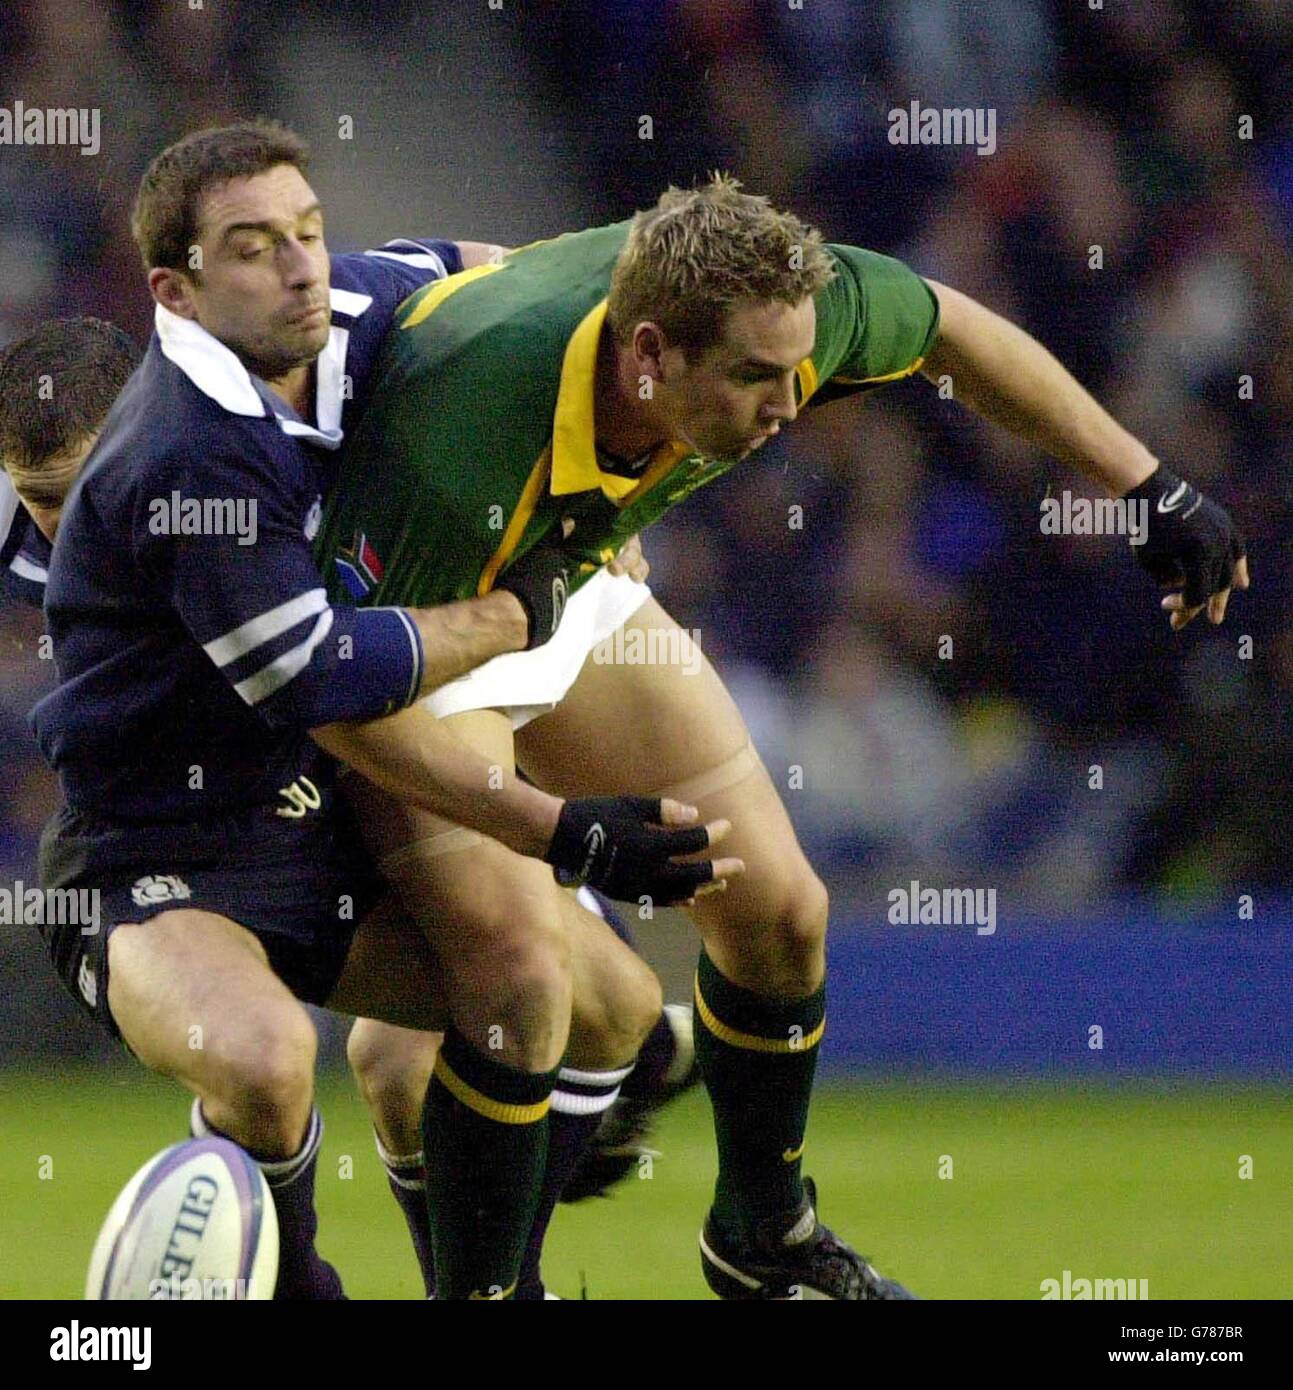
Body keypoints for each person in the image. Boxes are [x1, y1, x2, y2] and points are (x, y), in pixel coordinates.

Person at [318, 174, 1249, 1300]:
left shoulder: (783, 322)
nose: (786, 405)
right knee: (511, 984)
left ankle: (763, 1234)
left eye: (796, 371)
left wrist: (1144, 485)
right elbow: (336, 689)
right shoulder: (458, 426)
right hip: (406, 634)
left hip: (552, 569)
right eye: (756, 379)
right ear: (650, 355)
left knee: (781, 912)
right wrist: (556, 830)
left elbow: (953, 328)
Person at [28, 124, 735, 1301]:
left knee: (601, 1013)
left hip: (318, 817)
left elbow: (513, 276)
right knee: (262, 1062)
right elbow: (321, 673)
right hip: (153, 853)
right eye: (255, 249)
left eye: (307, 232)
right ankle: (304, 1283)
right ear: (176, 289)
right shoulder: (180, 453)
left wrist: (618, 471)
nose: (303, 265)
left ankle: (484, 1284)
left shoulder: (354, 307)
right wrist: (521, 628)